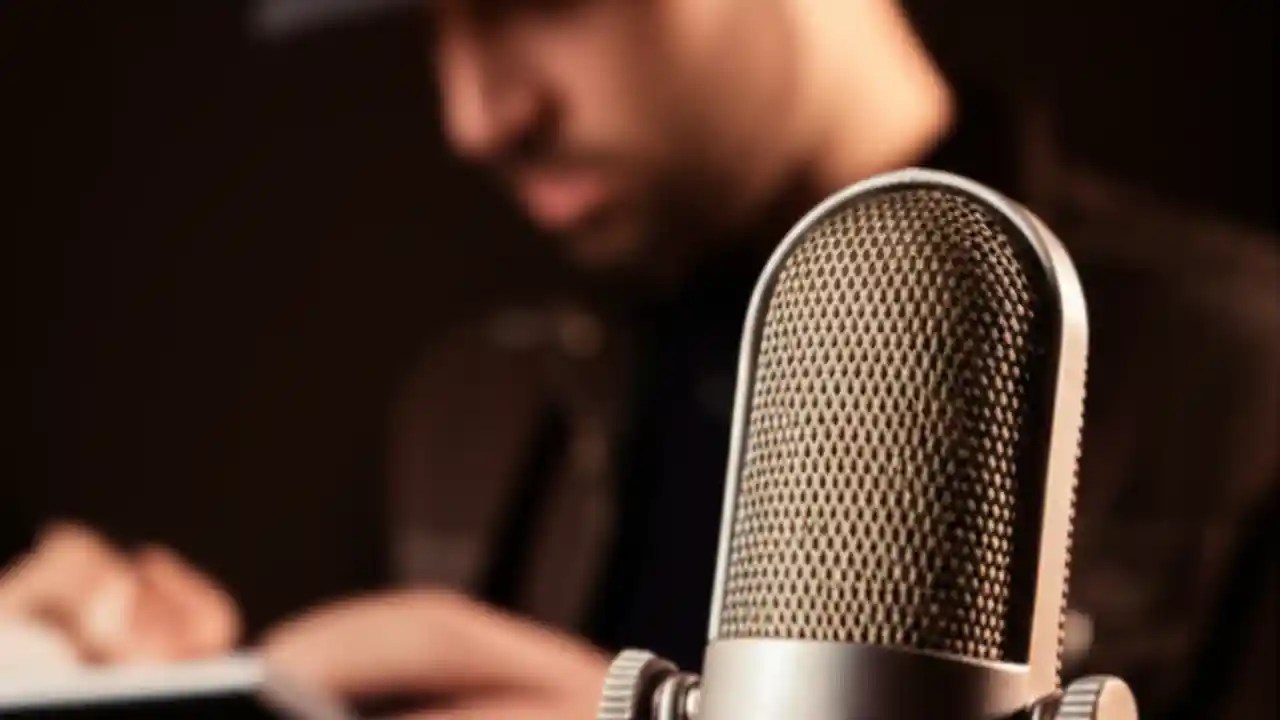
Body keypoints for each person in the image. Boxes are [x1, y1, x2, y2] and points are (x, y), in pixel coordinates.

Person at [2, 0, 1276, 718]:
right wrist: (163, 686)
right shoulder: (477, 402)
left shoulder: (1245, 374)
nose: (476, 117)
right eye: (431, 24)